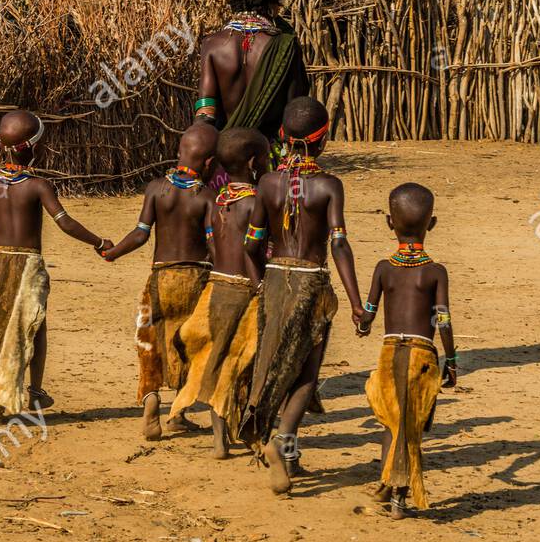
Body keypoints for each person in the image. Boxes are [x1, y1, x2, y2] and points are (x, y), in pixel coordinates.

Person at [239, 96, 365, 493]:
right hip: (311, 282)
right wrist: (357, 303)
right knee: (306, 374)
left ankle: (287, 455)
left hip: (274, 281)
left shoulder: (267, 183)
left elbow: (251, 242)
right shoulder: (329, 186)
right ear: (322, 140)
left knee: (273, 361)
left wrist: (261, 277)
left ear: (283, 138)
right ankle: (282, 439)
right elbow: (339, 244)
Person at [0, 109, 110, 423]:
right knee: (34, 326)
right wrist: (98, 242)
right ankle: (34, 391)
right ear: (35, 148)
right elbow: (64, 222)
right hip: (28, 266)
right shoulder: (37, 186)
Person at [101, 123, 217, 441]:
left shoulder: (155, 189)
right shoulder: (207, 196)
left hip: (160, 278)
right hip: (196, 278)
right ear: (209, 163)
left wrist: (113, 253)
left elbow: (141, 233)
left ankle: (151, 399)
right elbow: (214, 245)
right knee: (188, 344)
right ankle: (179, 411)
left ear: (179, 152)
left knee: (150, 341)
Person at [356, 182, 457, 519]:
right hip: (422, 355)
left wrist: (363, 321)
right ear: (432, 224)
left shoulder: (384, 269)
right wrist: (452, 359)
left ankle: (389, 484)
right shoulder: (435, 272)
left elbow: (369, 311)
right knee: (410, 426)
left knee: (391, 421)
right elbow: (442, 319)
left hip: (389, 354)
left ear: (389, 222)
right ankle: (399, 497)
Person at [171, 127, 269, 459]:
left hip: (215, 286)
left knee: (215, 361)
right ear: (254, 161)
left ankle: (219, 442)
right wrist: (261, 286)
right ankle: (247, 432)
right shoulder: (254, 202)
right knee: (242, 363)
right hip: (243, 289)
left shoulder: (218, 200)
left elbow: (214, 245)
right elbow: (251, 251)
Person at [194, 0, 308, 159]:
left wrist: (202, 154)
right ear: (272, 1)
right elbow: (294, 107)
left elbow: (205, 112)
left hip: (227, 157)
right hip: (269, 157)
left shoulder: (212, 45)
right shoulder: (285, 45)